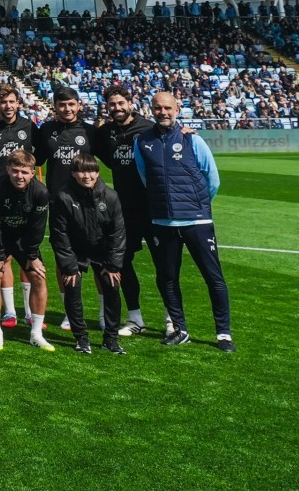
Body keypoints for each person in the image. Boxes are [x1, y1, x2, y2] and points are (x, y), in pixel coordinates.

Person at [134, 90, 232, 352]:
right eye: (158, 108)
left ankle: (223, 333)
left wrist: (197, 206)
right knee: (167, 279)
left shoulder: (192, 139)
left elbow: (212, 178)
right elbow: (146, 178)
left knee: (213, 278)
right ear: (151, 110)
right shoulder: (142, 142)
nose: (163, 112)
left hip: (197, 221)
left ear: (177, 110)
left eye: (168, 108)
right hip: (163, 222)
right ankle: (181, 329)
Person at [91, 85, 156, 336]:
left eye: (121, 103)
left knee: (164, 265)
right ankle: (135, 318)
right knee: (122, 262)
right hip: (123, 210)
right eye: (112, 104)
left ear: (130, 103)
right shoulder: (105, 132)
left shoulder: (149, 128)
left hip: (152, 209)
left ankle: (172, 319)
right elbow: (104, 158)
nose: (117, 108)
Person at [51, 154, 129, 355]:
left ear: (98, 172)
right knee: (72, 286)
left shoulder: (110, 196)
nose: (87, 176)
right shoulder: (63, 197)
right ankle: (81, 338)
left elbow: (118, 233)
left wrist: (112, 265)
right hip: (76, 251)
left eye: (91, 171)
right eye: (81, 171)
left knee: (112, 286)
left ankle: (111, 338)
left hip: (102, 251)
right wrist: (69, 266)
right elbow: (60, 234)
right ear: (73, 173)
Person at [0, 84, 38, 329]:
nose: (8, 106)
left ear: (18, 103)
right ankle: (10, 311)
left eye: (12, 101)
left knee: (28, 254)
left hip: (25, 198)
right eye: (3, 102)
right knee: (4, 256)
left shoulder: (29, 127)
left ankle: (30, 312)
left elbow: (39, 158)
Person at [0, 149, 53, 351]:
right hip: (0, 238)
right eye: (15, 171)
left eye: (24, 172)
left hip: (24, 240)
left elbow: (38, 227)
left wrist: (32, 255)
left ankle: (36, 334)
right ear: (8, 169)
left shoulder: (40, 192)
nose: (19, 176)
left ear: (32, 173)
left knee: (38, 277)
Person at [37, 87, 93, 186]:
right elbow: (37, 160)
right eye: (62, 105)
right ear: (55, 106)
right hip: (55, 193)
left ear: (78, 106)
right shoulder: (46, 129)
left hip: (84, 192)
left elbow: (111, 161)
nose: (67, 109)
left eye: (71, 104)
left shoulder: (90, 131)